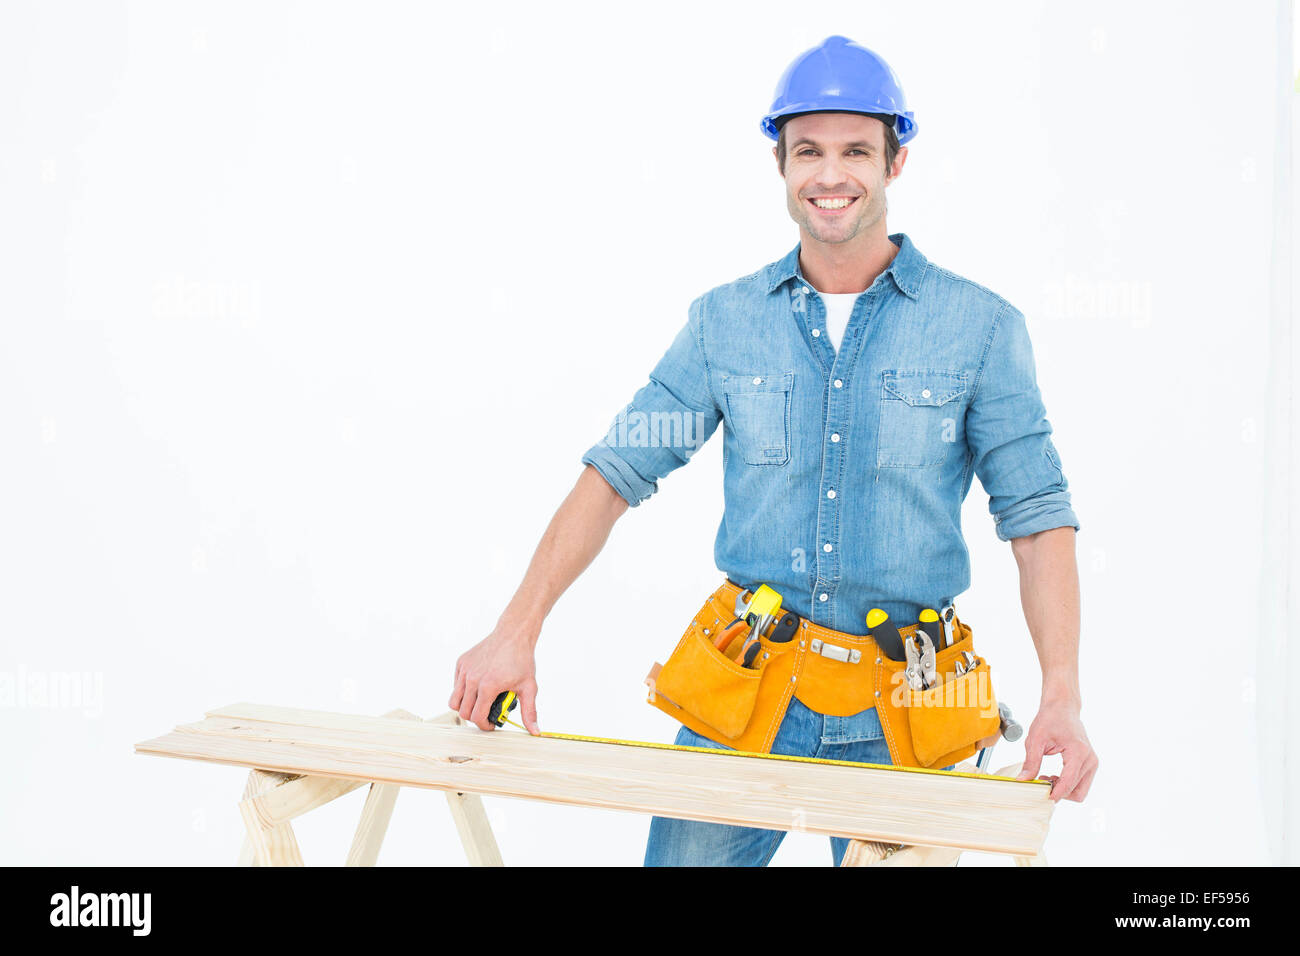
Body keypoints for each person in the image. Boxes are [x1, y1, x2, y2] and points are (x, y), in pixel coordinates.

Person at [448, 35, 1098, 866]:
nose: (831, 174)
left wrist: (1062, 694)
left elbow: (1037, 518)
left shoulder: (980, 328)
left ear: (896, 162)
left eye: (856, 150)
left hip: (917, 693)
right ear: (781, 164)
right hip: (748, 679)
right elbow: (616, 472)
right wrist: (516, 629)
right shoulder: (726, 324)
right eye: (809, 151)